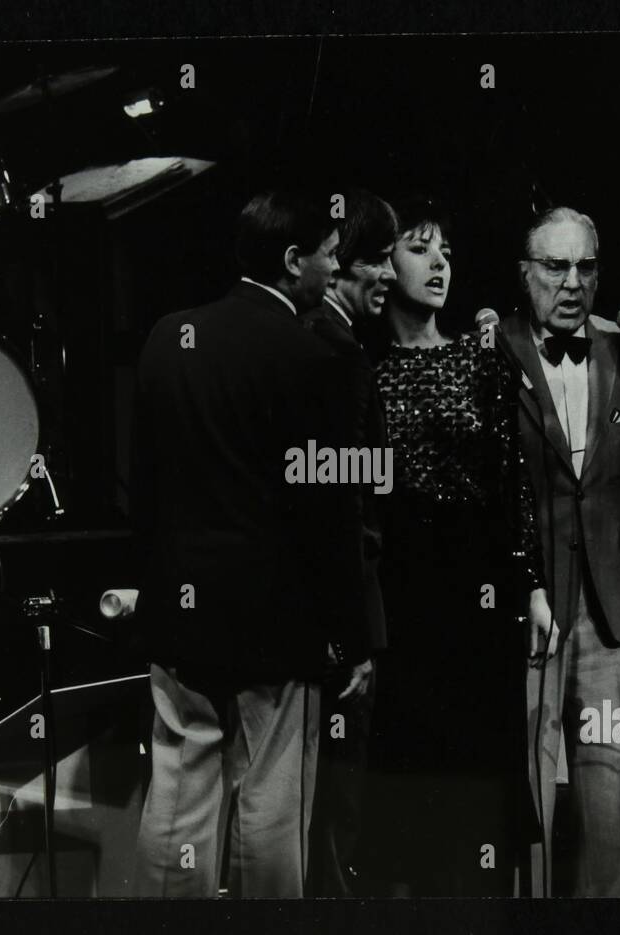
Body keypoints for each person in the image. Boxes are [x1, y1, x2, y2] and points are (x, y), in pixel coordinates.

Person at [130, 189, 372, 899]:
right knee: (271, 801)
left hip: (181, 615)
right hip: (278, 625)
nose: (336, 269)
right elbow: (332, 514)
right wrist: (352, 633)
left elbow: (144, 488)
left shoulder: (168, 337)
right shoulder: (315, 355)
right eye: (330, 255)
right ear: (294, 260)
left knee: (177, 796)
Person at [361, 195, 538, 897]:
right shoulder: (363, 366)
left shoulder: (482, 358)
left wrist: (529, 583)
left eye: (447, 252)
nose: (439, 264)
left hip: (477, 592)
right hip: (401, 593)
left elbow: (513, 484)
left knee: (480, 776)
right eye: (420, 249)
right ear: (384, 262)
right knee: (409, 779)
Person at [498, 206, 620, 897]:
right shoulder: (493, 350)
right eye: (555, 267)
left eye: (585, 266)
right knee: (530, 787)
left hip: (609, 599)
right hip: (531, 599)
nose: (572, 282)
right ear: (526, 274)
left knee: (612, 789)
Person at [299, 188, 398, 897]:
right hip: (336, 620)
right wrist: (352, 632)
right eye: (380, 258)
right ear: (340, 266)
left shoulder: (318, 341)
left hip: (318, 615)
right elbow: (341, 507)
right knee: (333, 805)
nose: (390, 274)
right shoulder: (335, 353)